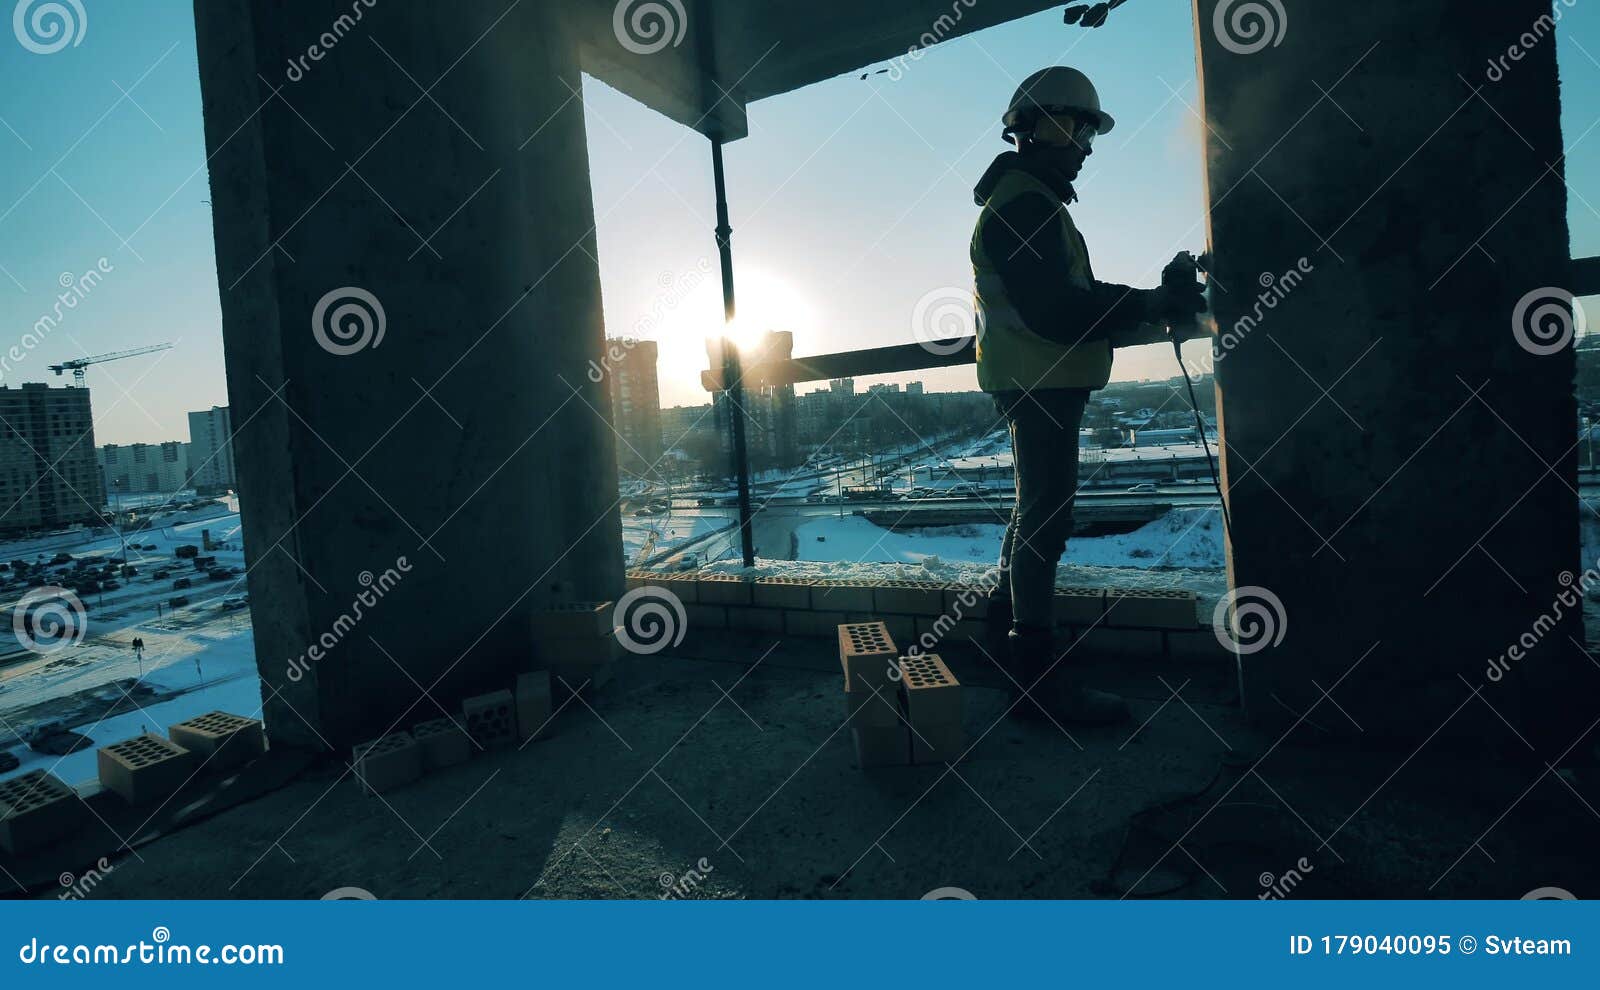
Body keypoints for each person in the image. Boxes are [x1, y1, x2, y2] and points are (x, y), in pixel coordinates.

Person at [970, 66, 1207, 725]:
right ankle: (1035, 687)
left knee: (1030, 518)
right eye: (1077, 128)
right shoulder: (1024, 205)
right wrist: (1152, 303)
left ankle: (1005, 651)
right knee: (1045, 523)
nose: (1085, 145)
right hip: (1041, 381)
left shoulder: (1028, 200)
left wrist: (1147, 303)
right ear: (1045, 127)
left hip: (1036, 380)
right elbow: (1057, 312)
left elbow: (1071, 300)